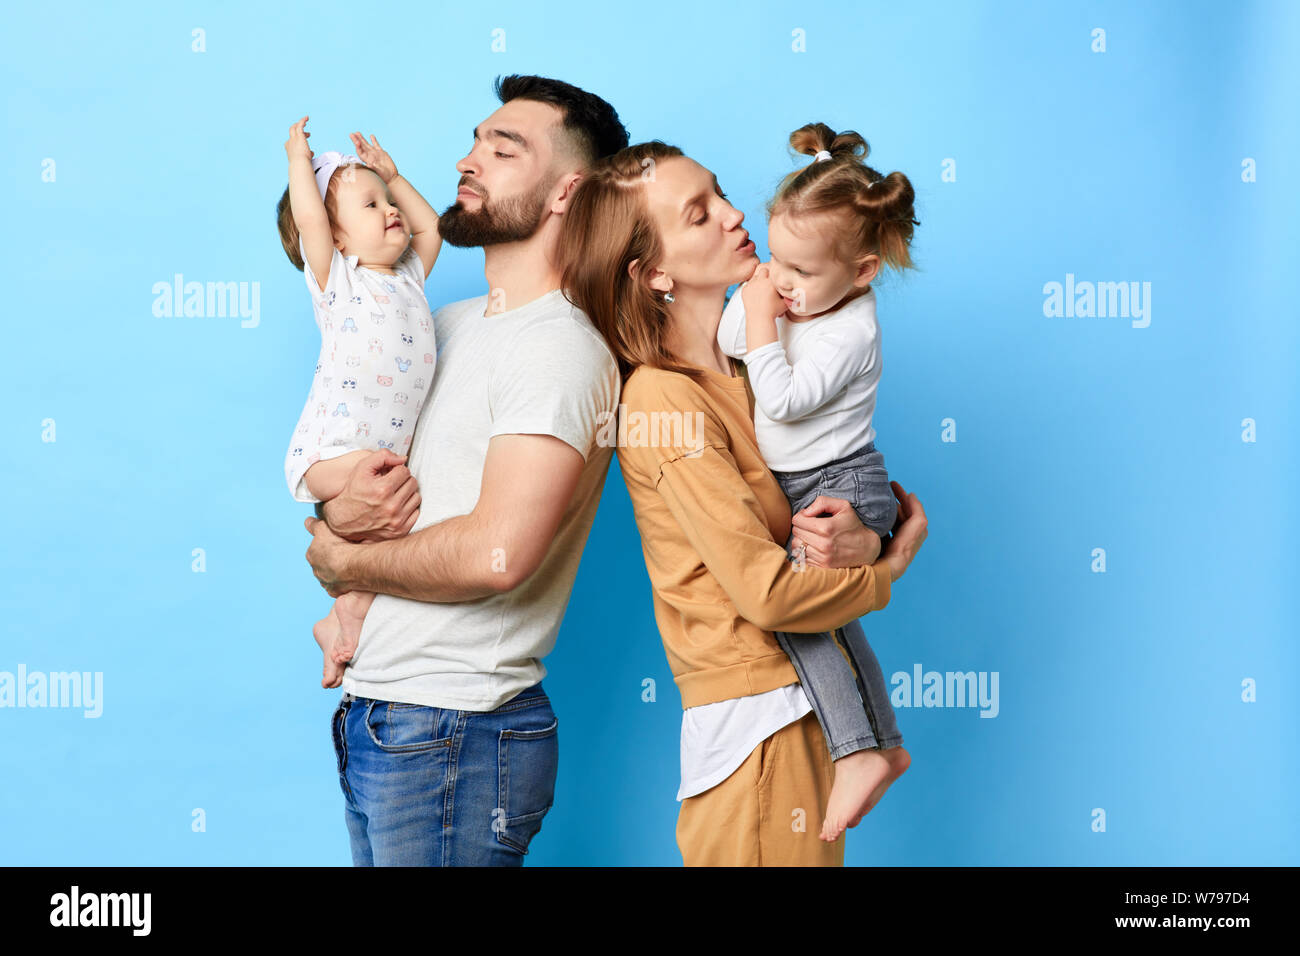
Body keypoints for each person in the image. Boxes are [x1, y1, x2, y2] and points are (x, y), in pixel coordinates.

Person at [559, 141, 927, 865]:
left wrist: (864, 538)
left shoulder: (751, 366)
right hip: (759, 729)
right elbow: (766, 593)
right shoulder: (663, 401)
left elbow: (827, 494)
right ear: (653, 273)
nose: (733, 216)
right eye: (700, 215)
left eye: (721, 193)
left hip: (807, 712)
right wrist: (892, 565)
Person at [300, 75, 628, 866]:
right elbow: (372, 489)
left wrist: (341, 557)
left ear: (567, 192)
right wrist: (335, 524)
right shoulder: (440, 326)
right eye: (476, 140)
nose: (467, 160)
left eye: (502, 148)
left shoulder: (560, 348)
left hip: (456, 730)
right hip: (385, 715)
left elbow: (497, 556)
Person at [714, 121, 921, 841]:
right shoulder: (793, 299)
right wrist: (760, 307)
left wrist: (763, 318)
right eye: (775, 260)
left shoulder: (851, 330)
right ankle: (881, 745)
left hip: (844, 483)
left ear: (862, 271)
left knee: (800, 616)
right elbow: (731, 339)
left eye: (801, 272)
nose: (782, 281)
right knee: (826, 620)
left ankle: (858, 752)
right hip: (806, 481)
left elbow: (786, 398)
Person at [277, 119, 443, 689]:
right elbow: (307, 219)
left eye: (388, 201)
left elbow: (432, 228)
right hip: (332, 454)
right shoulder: (339, 282)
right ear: (338, 237)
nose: (390, 209)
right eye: (370, 204)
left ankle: (339, 625)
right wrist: (300, 162)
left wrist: (394, 178)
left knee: (383, 548)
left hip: (380, 461)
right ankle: (343, 615)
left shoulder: (409, 277)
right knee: (385, 498)